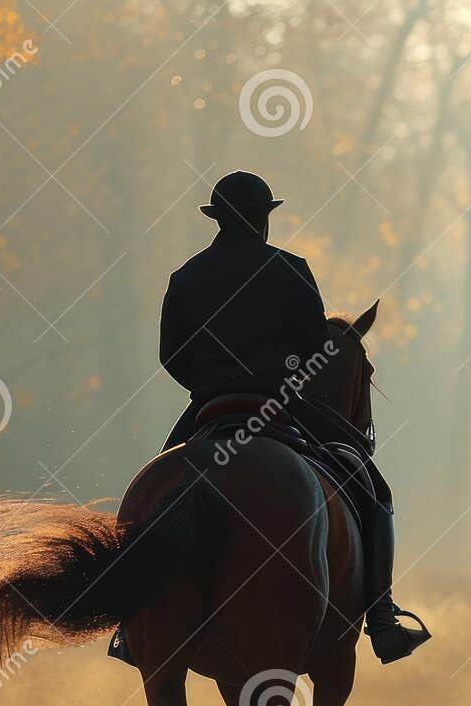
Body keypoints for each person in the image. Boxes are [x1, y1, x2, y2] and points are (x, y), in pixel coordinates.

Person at [157, 171, 430, 664]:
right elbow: (312, 348)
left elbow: (170, 357)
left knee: (154, 492)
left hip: (209, 408)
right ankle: (383, 619)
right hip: (279, 404)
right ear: (263, 219)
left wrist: (208, 386)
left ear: (216, 220)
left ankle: (134, 626)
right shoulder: (289, 268)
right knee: (374, 492)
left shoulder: (185, 278)